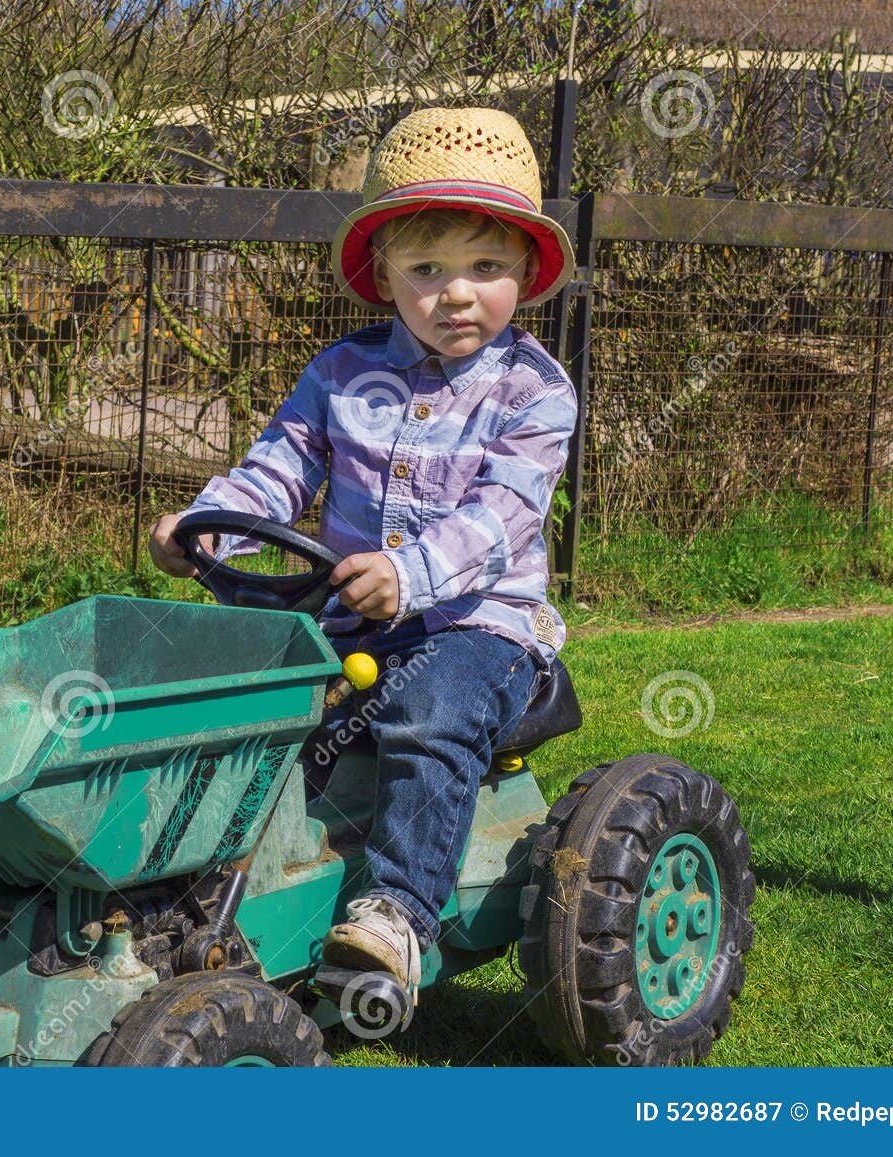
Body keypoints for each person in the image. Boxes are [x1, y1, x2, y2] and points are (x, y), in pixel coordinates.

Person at [148, 106, 578, 1004]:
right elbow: (279, 466)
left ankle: (396, 915)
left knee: (428, 708)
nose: (456, 294)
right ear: (385, 275)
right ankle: (200, 886)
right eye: (427, 269)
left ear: (529, 273)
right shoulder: (342, 373)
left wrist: (410, 575)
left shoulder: (535, 391)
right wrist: (207, 525)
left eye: (485, 268)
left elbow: (502, 517)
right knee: (244, 697)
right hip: (346, 616)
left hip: (479, 626)